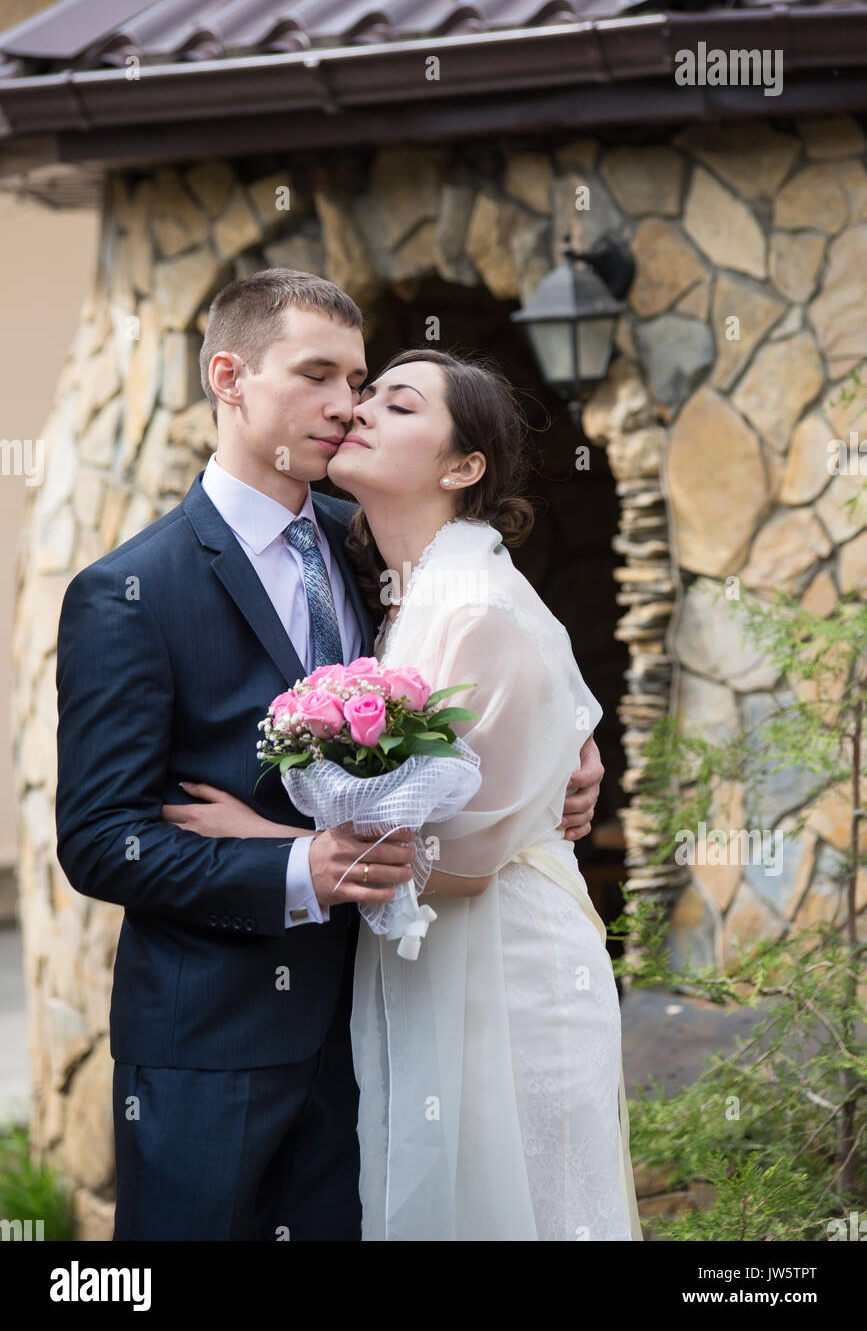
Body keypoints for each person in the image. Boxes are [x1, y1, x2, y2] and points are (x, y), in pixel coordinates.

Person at [54, 269, 602, 1241]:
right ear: (230, 376)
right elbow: (101, 838)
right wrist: (295, 864)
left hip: (378, 1027)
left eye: (358, 378)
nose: (346, 405)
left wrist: (565, 747)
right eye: (317, 375)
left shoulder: (378, 543)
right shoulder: (131, 590)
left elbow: (495, 650)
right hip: (212, 1050)